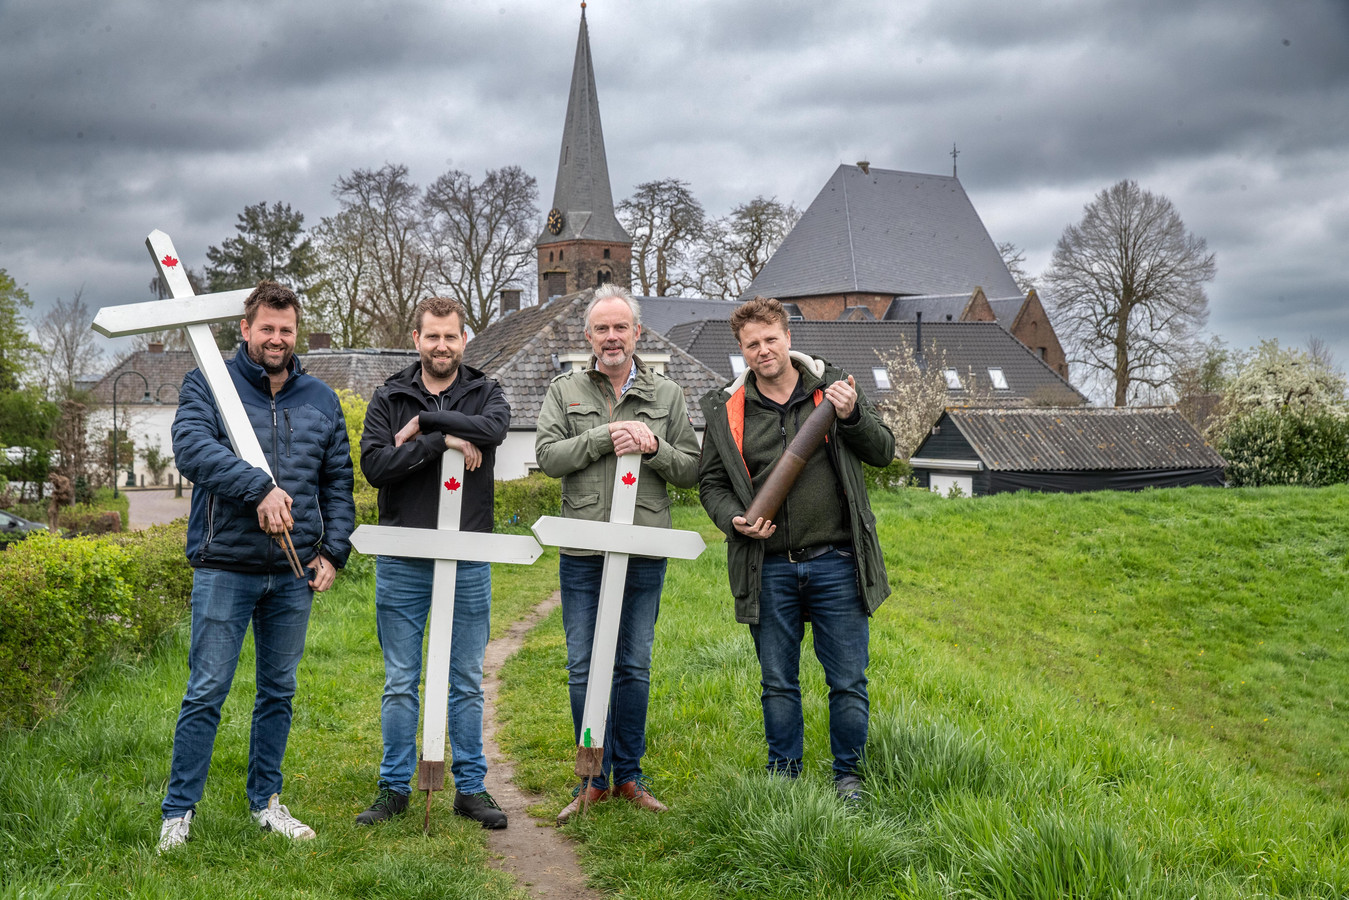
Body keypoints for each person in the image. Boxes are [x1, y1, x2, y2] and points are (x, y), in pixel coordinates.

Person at [159, 280, 355, 852]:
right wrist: (259, 488)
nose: (276, 338)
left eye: (286, 330)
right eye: (266, 328)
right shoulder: (208, 385)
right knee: (207, 689)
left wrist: (333, 550)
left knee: (279, 690)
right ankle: (179, 812)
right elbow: (192, 448)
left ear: (296, 333)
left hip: (293, 574)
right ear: (245, 329)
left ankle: (265, 802)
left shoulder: (320, 398)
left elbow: (337, 482)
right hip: (226, 563)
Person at [697, 296, 894, 801]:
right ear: (741, 351)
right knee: (778, 682)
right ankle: (784, 776)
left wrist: (851, 418)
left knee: (848, 680)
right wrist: (734, 521)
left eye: (770, 339)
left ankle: (848, 778)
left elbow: (883, 451)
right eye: (751, 345)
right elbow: (712, 485)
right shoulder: (727, 409)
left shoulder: (834, 390)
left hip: (836, 562)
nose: (763, 351)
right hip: (768, 567)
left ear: (788, 338)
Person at [535, 284, 701, 823]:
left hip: (643, 548)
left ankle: (629, 776)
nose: (611, 337)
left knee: (633, 663)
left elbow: (693, 470)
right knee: (584, 664)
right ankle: (592, 779)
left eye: (620, 327)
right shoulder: (565, 391)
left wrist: (654, 447)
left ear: (636, 334)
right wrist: (605, 437)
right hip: (584, 548)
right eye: (601, 329)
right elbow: (549, 457)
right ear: (588, 336)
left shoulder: (668, 395)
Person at [354, 296, 512, 829]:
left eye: (450, 336)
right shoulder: (388, 394)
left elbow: (493, 432)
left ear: (464, 340)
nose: (441, 345)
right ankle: (394, 787)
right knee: (401, 679)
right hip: (402, 555)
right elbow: (375, 465)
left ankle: (471, 788)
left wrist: (424, 420)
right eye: (431, 336)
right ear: (416, 340)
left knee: (465, 677)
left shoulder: (485, 391)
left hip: (467, 555)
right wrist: (441, 439)